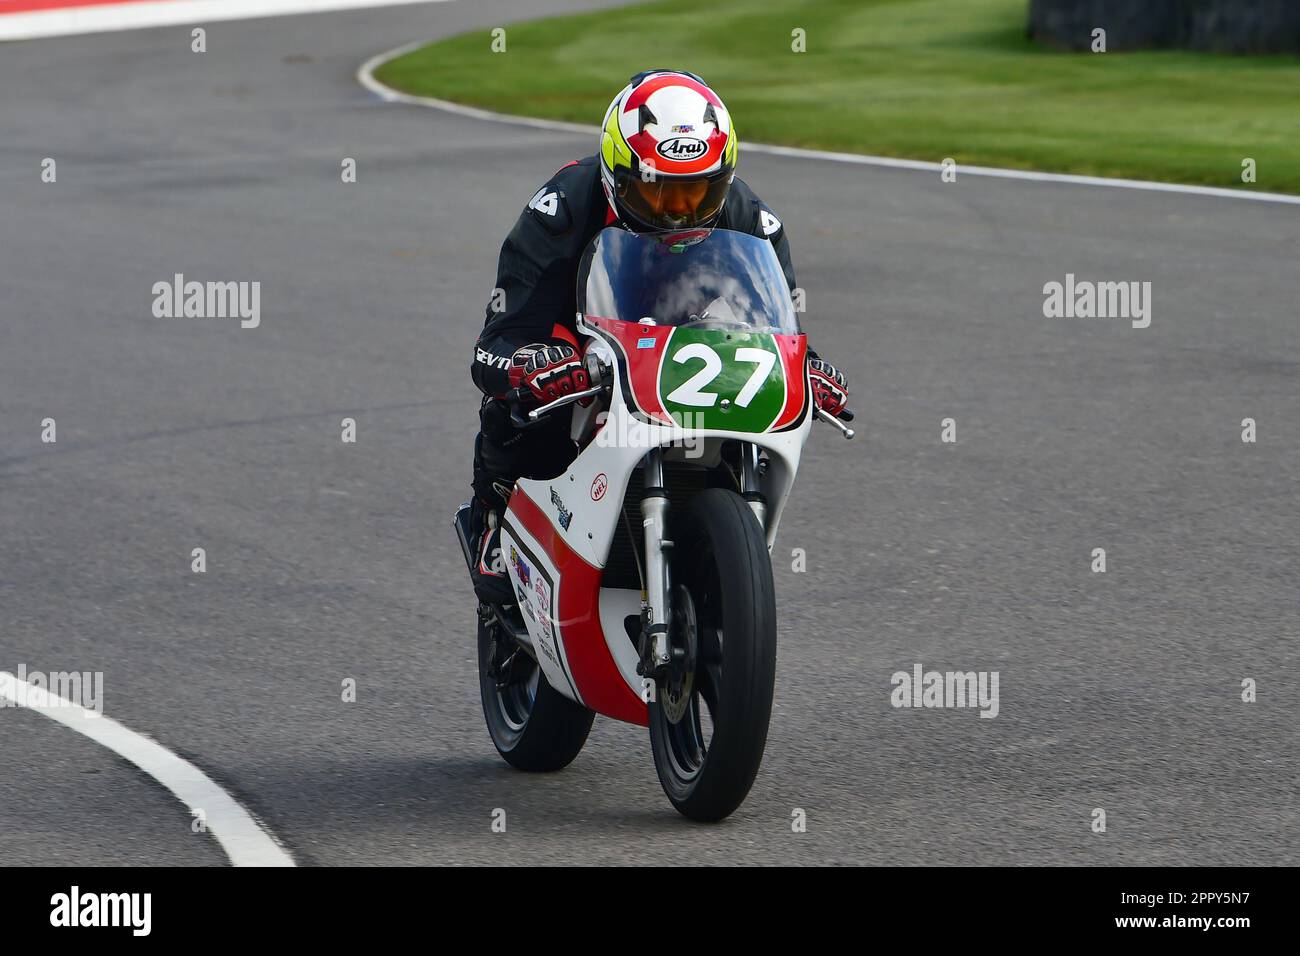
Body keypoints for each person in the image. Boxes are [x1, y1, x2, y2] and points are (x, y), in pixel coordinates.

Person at [468, 69, 850, 603]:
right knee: (530, 390)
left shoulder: (750, 219)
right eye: (658, 191)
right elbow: (496, 342)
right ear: (616, 175)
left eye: (696, 191)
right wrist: (528, 362)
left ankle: (721, 554)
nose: (679, 213)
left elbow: (780, 328)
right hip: (579, 336)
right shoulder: (561, 209)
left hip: (685, 340)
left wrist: (809, 368)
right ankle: (494, 507)